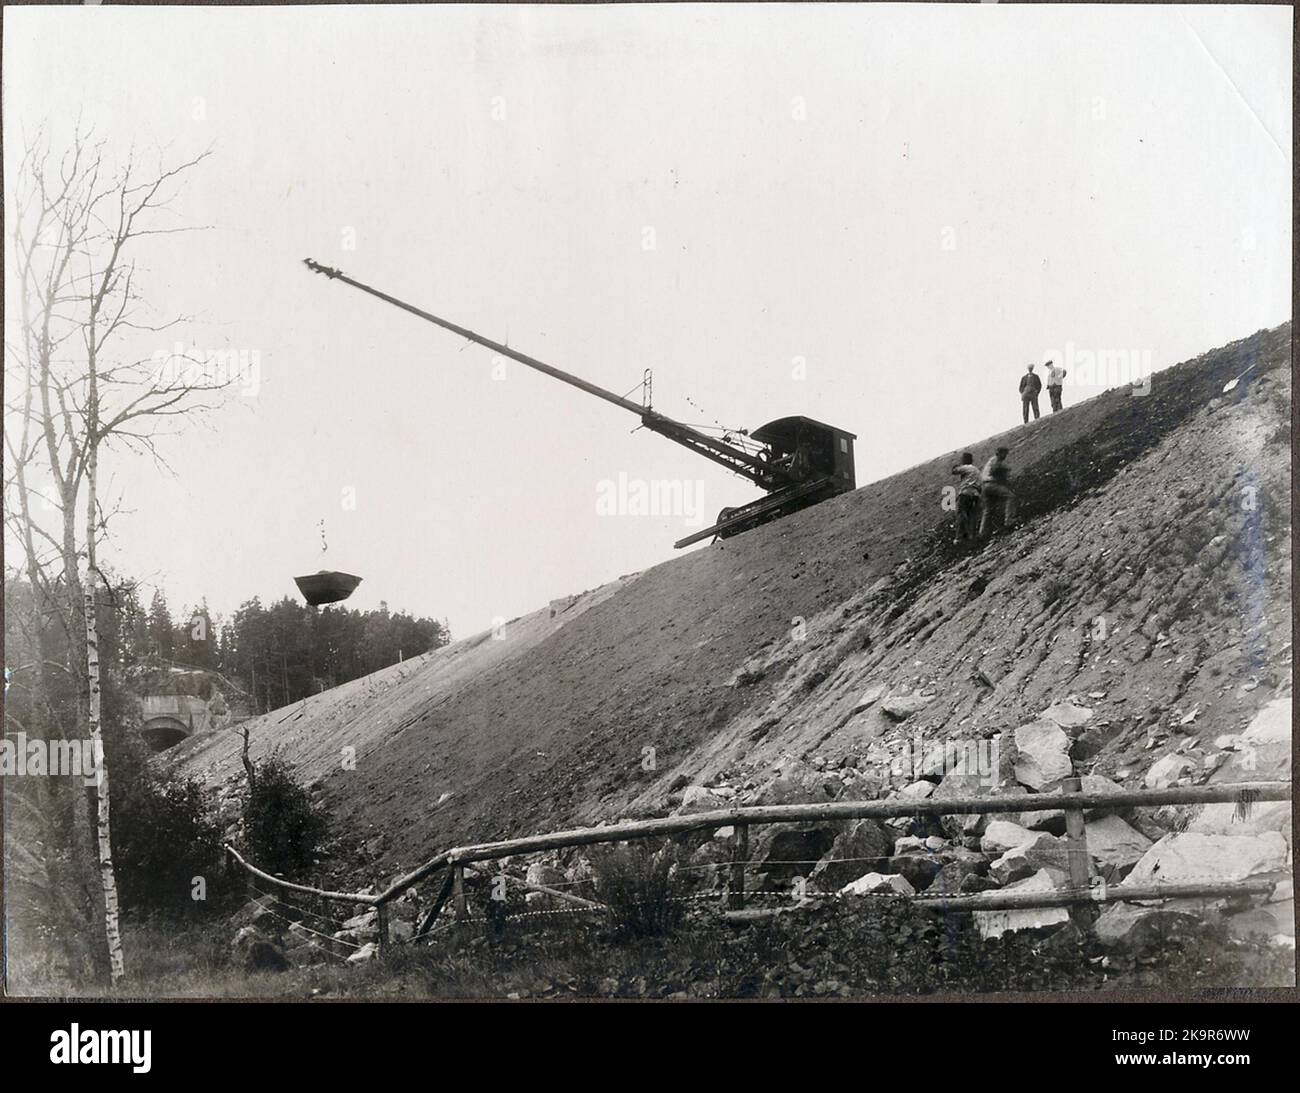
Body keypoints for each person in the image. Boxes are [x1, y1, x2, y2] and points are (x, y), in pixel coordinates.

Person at [979, 446, 1015, 536]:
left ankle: (982, 532)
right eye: (1004, 454)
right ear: (1000, 453)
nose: (1005, 456)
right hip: (990, 484)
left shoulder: (991, 461)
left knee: (988, 510)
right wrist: (1006, 470)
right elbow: (996, 469)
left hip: (984, 486)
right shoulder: (995, 460)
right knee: (1010, 497)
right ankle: (1008, 522)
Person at [950, 452, 982, 542]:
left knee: (961, 514)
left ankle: (959, 537)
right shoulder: (977, 470)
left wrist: (956, 465)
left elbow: (954, 471)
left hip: (965, 493)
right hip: (976, 494)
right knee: (972, 515)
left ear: (965, 460)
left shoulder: (966, 467)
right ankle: (971, 536)